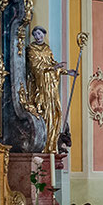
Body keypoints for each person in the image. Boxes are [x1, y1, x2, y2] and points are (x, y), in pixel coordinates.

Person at [21, 26, 76, 154]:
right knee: (45, 112)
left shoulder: (47, 49)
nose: (38, 36)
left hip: (51, 85)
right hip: (41, 86)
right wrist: (52, 67)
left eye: (39, 34)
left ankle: (52, 143)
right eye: (35, 34)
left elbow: (53, 63)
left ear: (44, 34)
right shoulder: (31, 50)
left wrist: (67, 72)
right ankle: (44, 144)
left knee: (55, 112)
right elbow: (35, 66)